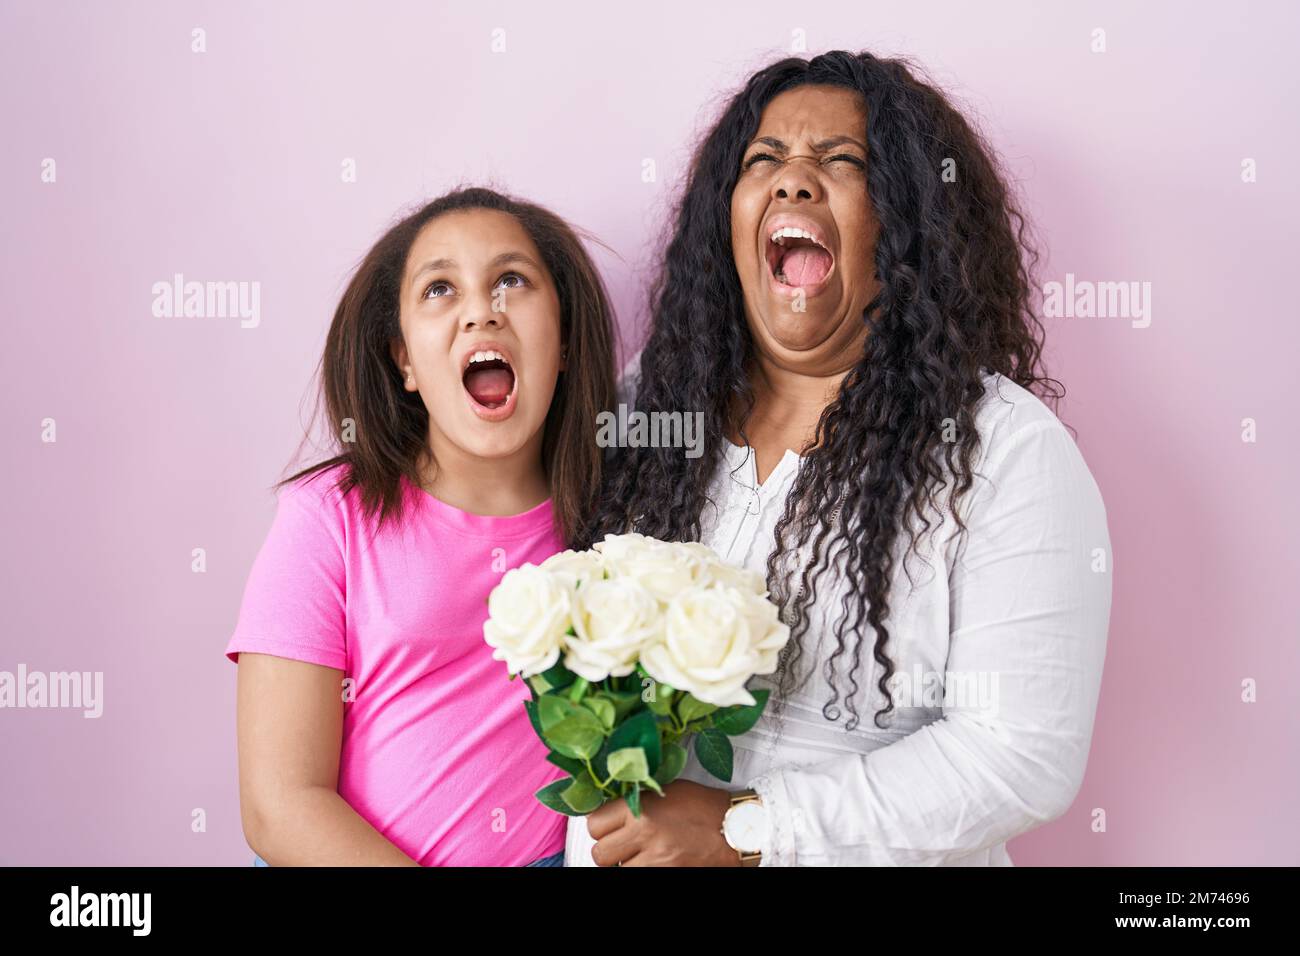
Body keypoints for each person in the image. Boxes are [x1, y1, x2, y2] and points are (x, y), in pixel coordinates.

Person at [568, 50, 1112, 866]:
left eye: (841, 161)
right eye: (764, 161)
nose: (792, 181)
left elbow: (1019, 754)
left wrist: (748, 829)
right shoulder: (648, 410)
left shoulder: (1004, 450)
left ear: (909, 219)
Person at [227, 187, 616, 866]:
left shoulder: (617, 523)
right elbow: (279, 804)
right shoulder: (328, 519)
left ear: (563, 343)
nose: (481, 312)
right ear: (404, 360)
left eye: (512, 280)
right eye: (440, 288)